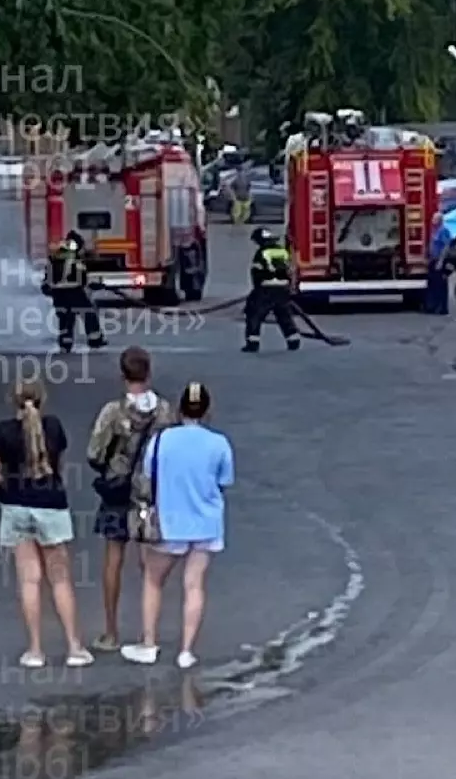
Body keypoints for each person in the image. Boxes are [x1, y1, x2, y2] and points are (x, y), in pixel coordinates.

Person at [0, 377, 93, 669]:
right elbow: (58, 467)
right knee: (60, 579)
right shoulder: (53, 427)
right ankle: (74, 647)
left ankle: (35, 650)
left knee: (29, 580)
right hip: (51, 505)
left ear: (12, 401)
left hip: (16, 507)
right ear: (43, 399)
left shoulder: (1, 432)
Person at [122, 382, 233, 669]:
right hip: (206, 524)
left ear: (179, 409)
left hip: (168, 523)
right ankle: (186, 651)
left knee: (153, 580)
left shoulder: (161, 440)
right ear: (207, 410)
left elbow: (147, 476)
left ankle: (149, 644)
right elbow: (224, 481)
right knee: (194, 585)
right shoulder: (219, 443)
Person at [85, 346, 174, 652]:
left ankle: (111, 632)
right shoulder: (165, 411)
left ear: (123, 375)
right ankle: (147, 633)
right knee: (148, 561)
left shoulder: (113, 412)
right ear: (149, 373)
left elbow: (94, 453)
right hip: (150, 491)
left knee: (114, 558)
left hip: (118, 489)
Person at [42, 232, 106, 352]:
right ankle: (95, 340)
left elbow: (48, 275)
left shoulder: (56, 255)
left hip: (58, 294)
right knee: (88, 314)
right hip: (74, 291)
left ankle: (65, 343)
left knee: (65, 318)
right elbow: (81, 277)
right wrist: (93, 284)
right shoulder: (75, 257)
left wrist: (48, 287)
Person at [243, 227, 300, 353]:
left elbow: (257, 273)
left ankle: (253, 343)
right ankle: (293, 340)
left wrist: (256, 291)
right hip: (282, 289)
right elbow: (290, 270)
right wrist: (289, 287)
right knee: (284, 315)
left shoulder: (261, 253)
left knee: (254, 314)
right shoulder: (282, 251)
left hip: (266, 288)